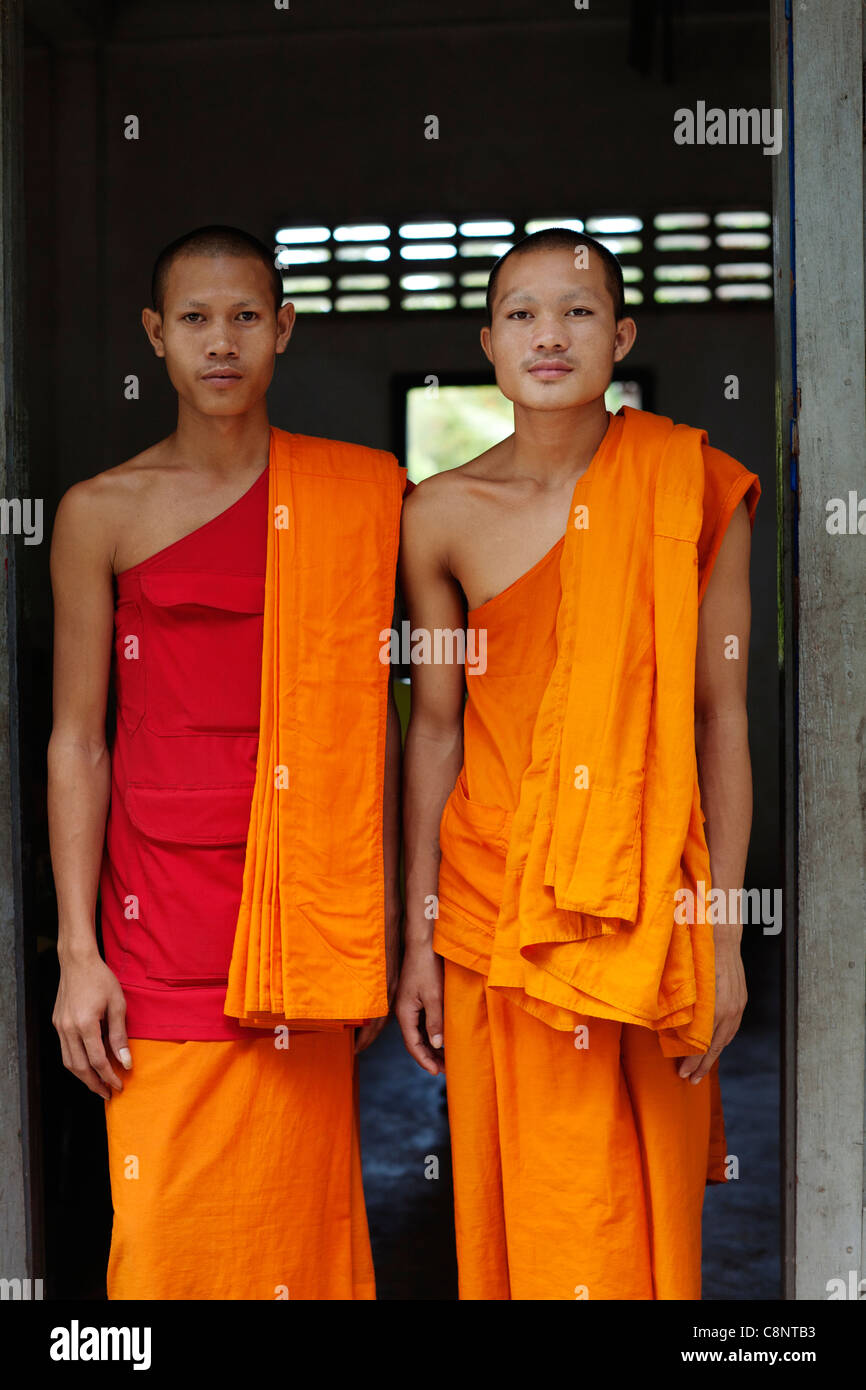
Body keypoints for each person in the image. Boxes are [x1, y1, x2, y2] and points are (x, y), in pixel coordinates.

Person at [396, 228, 761, 1300]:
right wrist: (415, 937)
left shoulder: (686, 485)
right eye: (521, 313)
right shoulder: (437, 514)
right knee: (533, 1211)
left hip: (651, 903)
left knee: (643, 1211)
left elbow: (719, 718)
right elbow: (433, 729)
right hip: (492, 905)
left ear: (621, 336)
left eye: (578, 310)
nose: (548, 334)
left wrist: (723, 934)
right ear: (487, 341)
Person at [47, 225, 404, 1300]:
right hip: (157, 930)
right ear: (155, 336)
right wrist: (77, 952)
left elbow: (379, 724)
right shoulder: (100, 512)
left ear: (282, 329)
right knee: (163, 1243)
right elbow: (78, 737)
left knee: (298, 1232)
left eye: (246, 316)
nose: (221, 343)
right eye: (194, 319)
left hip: (303, 916)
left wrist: (383, 921)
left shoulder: (358, 496)